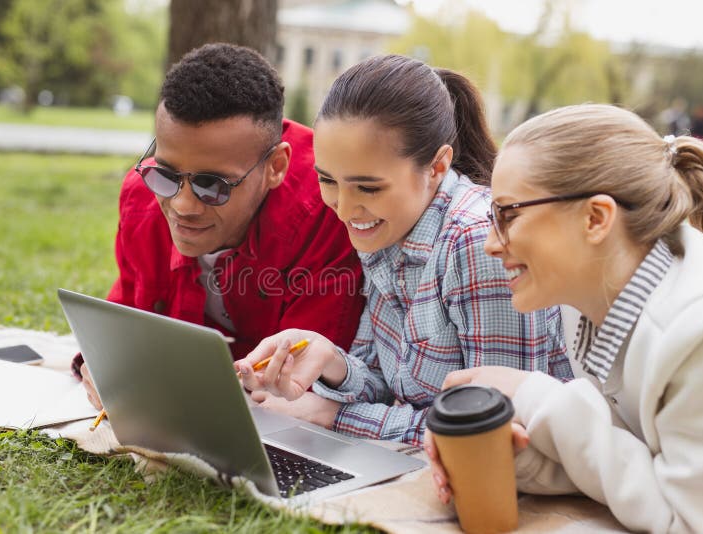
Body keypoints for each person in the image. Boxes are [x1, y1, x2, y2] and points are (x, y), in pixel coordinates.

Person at [426, 104, 703, 532]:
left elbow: (689, 522)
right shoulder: (586, 300)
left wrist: (539, 397)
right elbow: (632, 461)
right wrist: (513, 455)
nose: (491, 243)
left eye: (508, 215)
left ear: (596, 218)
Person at [237, 55, 571, 446]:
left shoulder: (477, 243)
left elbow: (496, 429)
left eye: (369, 187)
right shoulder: (386, 226)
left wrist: (335, 416)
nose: (343, 209)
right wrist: (329, 361)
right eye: (328, 180)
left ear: (437, 166)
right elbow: (383, 383)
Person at [75, 43, 365, 409]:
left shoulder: (328, 207)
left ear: (276, 167)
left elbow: (300, 381)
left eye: (212, 186)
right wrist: (105, 367)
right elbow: (121, 324)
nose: (181, 205)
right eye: (165, 173)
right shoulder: (142, 198)